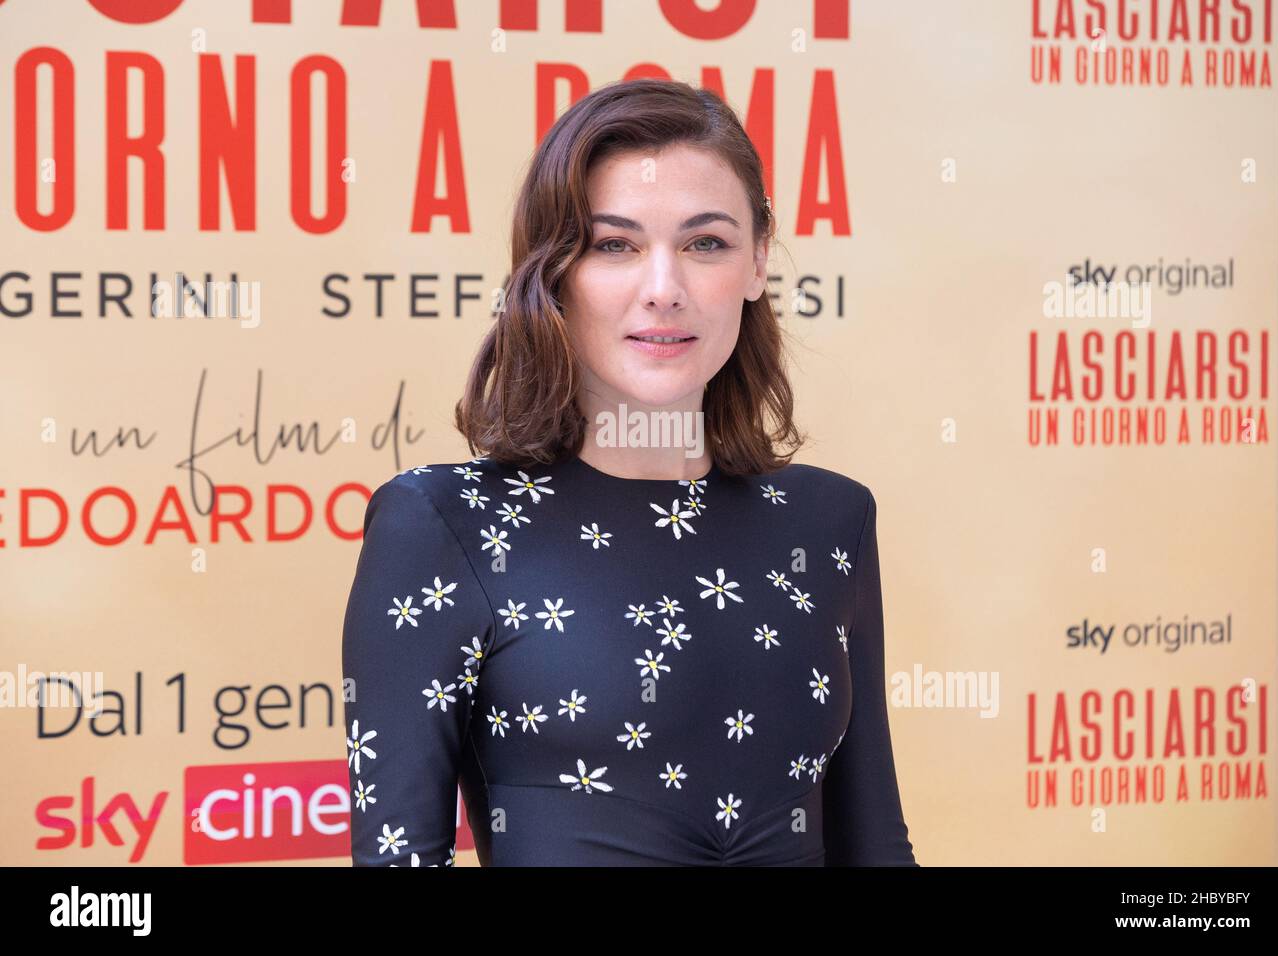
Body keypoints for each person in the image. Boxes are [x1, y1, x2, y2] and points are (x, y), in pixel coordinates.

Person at [341, 78, 917, 866]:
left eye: (704, 243)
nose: (663, 290)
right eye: (614, 245)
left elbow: (875, 844)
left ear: (756, 263)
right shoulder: (442, 524)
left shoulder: (826, 520)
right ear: (552, 274)